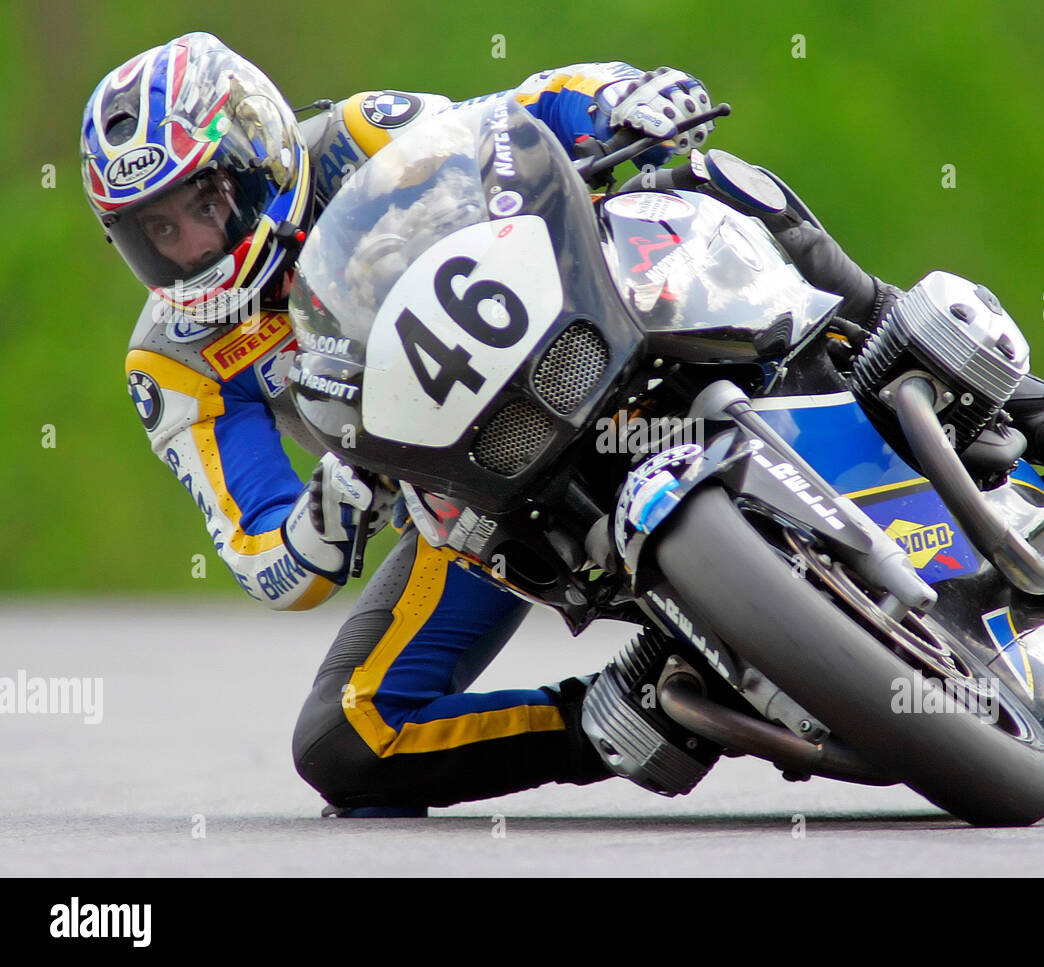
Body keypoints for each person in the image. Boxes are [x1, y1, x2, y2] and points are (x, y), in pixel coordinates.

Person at [82, 32, 718, 816]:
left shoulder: (361, 136)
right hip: (478, 494)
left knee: (720, 185)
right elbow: (255, 547)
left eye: (206, 202)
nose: (198, 245)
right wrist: (316, 524)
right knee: (346, 740)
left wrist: (618, 96)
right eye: (160, 232)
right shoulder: (174, 358)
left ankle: (895, 332)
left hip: (598, 334)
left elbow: (522, 115)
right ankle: (641, 707)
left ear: (255, 150)